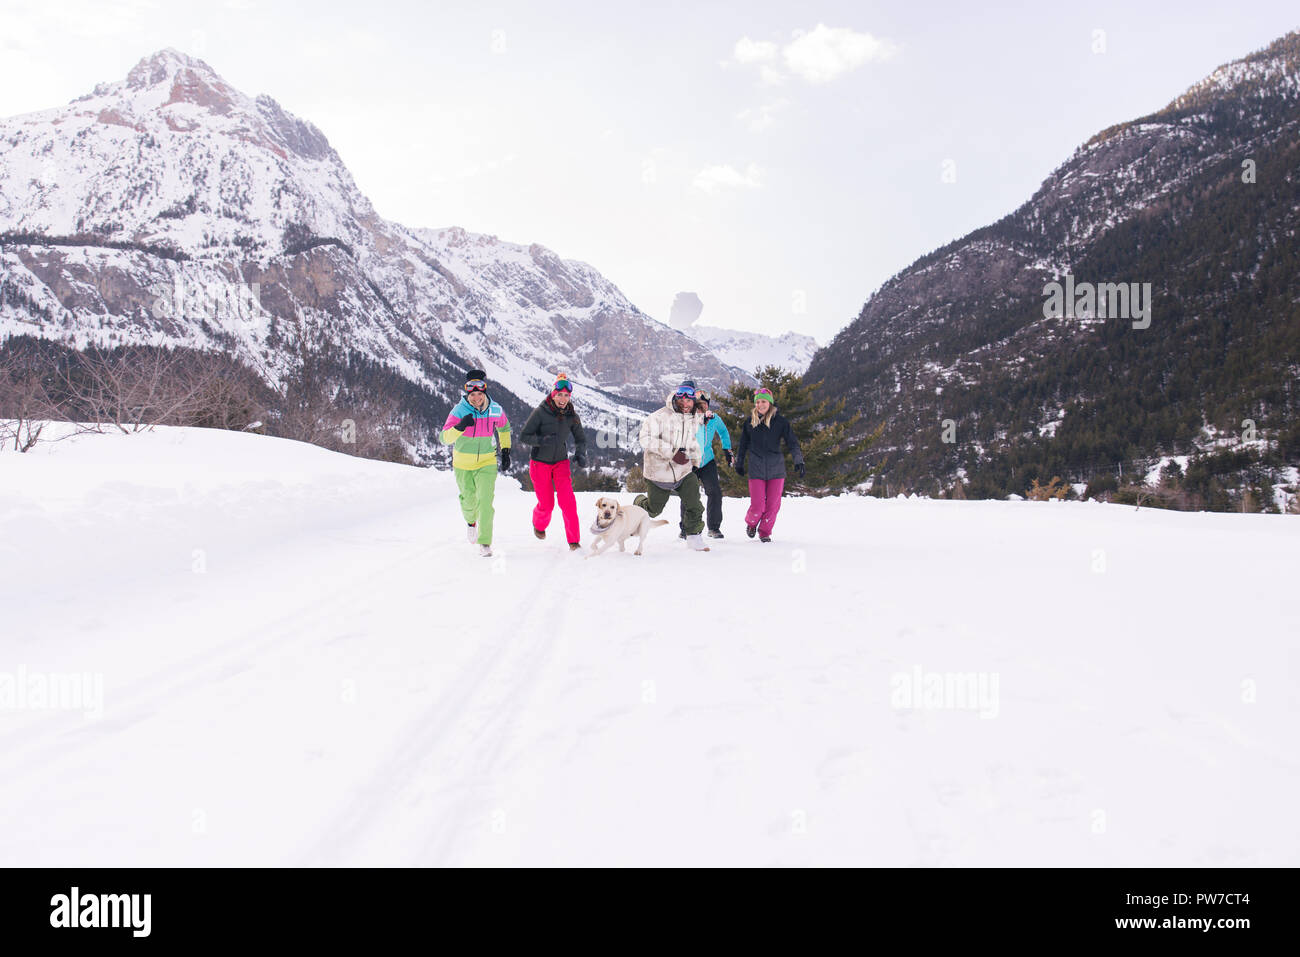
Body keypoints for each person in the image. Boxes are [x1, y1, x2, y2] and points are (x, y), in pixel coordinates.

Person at [440, 368, 512, 557]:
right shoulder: (459, 410)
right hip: (462, 463)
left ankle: (485, 542)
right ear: (467, 394)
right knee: (469, 501)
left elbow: (504, 427)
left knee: (485, 501)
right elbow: (444, 438)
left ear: (484, 392)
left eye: (479, 394)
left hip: (487, 462)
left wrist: (505, 450)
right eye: (472, 394)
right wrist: (460, 426)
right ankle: (471, 521)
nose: (476, 398)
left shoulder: (495, 409)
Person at [634, 379, 709, 551]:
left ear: (694, 401)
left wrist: (695, 461)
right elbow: (645, 438)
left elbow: (692, 441)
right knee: (653, 510)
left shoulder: (692, 418)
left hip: (683, 472)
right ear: (676, 398)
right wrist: (672, 453)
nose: (685, 404)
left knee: (694, 504)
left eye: (689, 400)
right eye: (682, 400)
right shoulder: (659, 416)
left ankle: (694, 536)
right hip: (659, 473)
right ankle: (637, 504)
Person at [519, 373, 587, 552]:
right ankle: (539, 524)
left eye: (566, 395)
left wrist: (580, 453)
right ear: (553, 394)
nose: (563, 399)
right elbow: (524, 436)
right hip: (539, 464)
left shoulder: (572, 415)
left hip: (561, 463)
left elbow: (580, 439)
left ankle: (574, 542)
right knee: (547, 505)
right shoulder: (540, 412)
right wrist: (542, 440)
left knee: (568, 503)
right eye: (560, 395)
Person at [734, 386, 804, 543]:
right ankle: (751, 523)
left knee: (773, 505)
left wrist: (798, 460)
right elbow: (743, 445)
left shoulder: (781, 422)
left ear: (770, 403)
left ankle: (765, 532)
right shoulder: (749, 422)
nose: (760, 405)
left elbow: (792, 443)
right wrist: (739, 462)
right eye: (757, 402)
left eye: (763, 402)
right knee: (758, 506)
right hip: (756, 468)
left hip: (776, 469)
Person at [678, 390, 731, 539]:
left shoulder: (714, 418)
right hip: (690, 462)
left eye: (704, 404)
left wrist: (727, 449)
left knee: (715, 492)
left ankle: (714, 528)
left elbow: (723, 432)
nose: (701, 407)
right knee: (688, 495)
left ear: (708, 405)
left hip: (707, 461)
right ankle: (685, 528)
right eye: (698, 404)